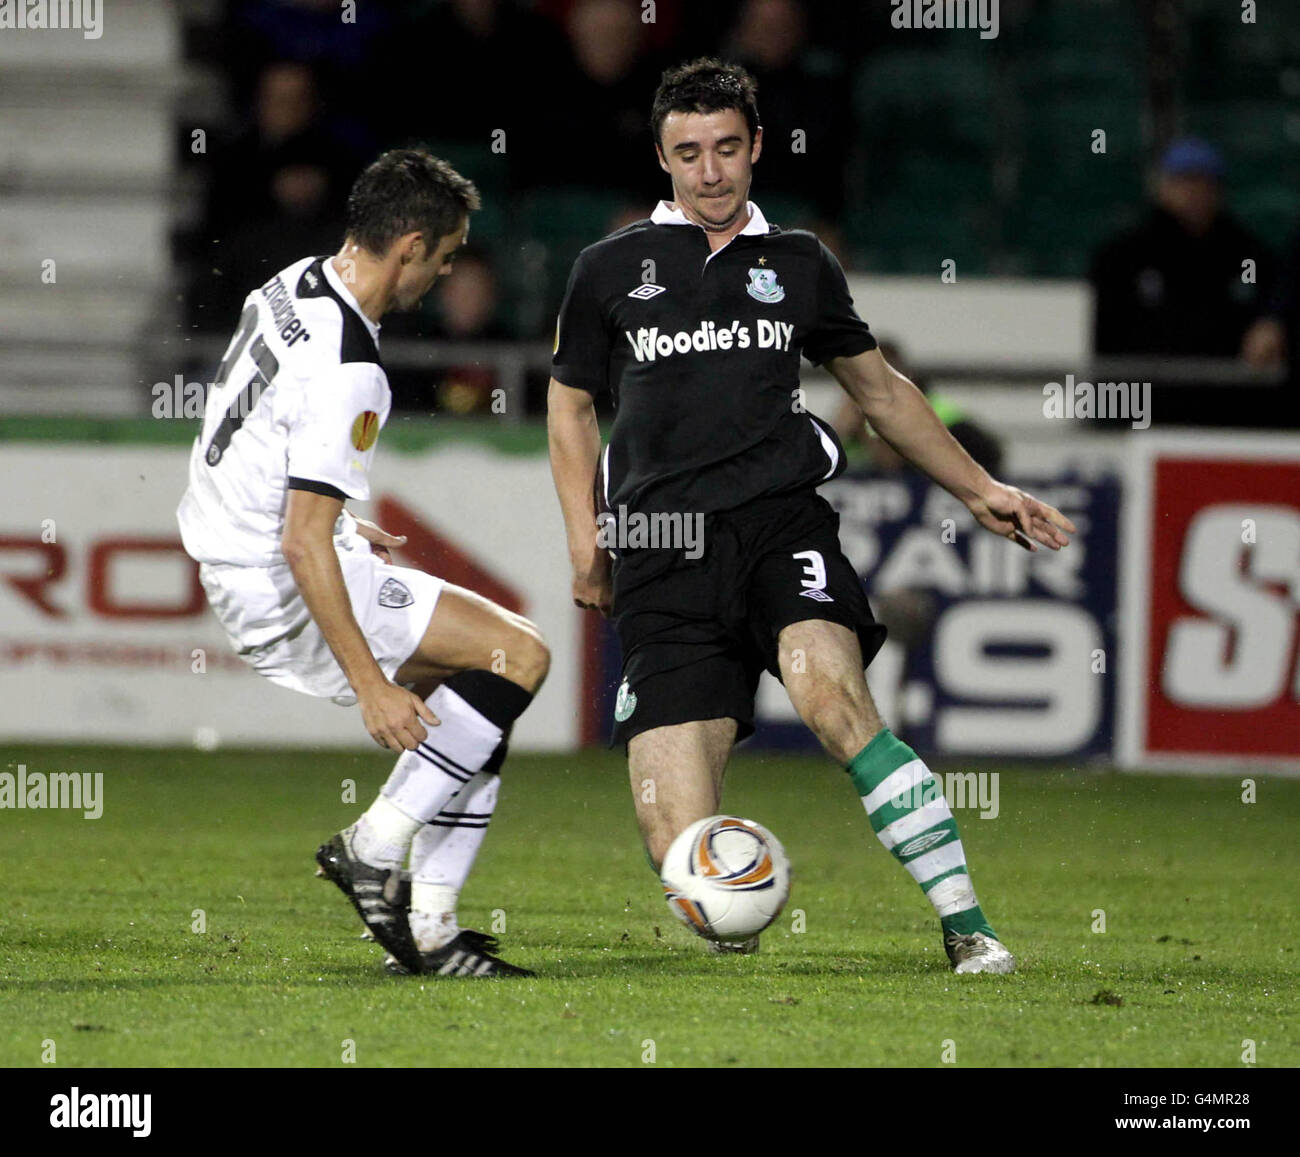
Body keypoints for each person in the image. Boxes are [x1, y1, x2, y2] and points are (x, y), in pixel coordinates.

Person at [547, 59, 1075, 973]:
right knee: (670, 829)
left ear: (755, 147)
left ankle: (967, 925)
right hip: (661, 553)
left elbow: (880, 392)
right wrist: (587, 544)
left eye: (724, 149)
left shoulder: (798, 264)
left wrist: (980, 487)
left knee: (832, 696)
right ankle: (737, 923)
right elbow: (569, 408)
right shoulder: (607, 269)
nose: (708, 172)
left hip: (777, 526)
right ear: (663, 160)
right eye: (687, 154)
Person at [178, 149, 547, 978]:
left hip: (242, 552)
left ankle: (432, 932)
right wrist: (372, 685)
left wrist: (342, 522)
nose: (446, 271)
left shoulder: (295, 280)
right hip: (276, 576)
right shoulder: (354, 365)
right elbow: (300, 541)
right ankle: (373, 848)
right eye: (447, 255)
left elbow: (260, 435)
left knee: (473, 697)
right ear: (410, 245)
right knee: (517, 654)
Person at [1090, 137, 1276, 359]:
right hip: (1148, 388)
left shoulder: (1249, 255)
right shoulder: (1123, 257)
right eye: (1185, 181)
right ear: (1163, 187)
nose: (1194, 192)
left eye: (1204, 182)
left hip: (1227, 388)